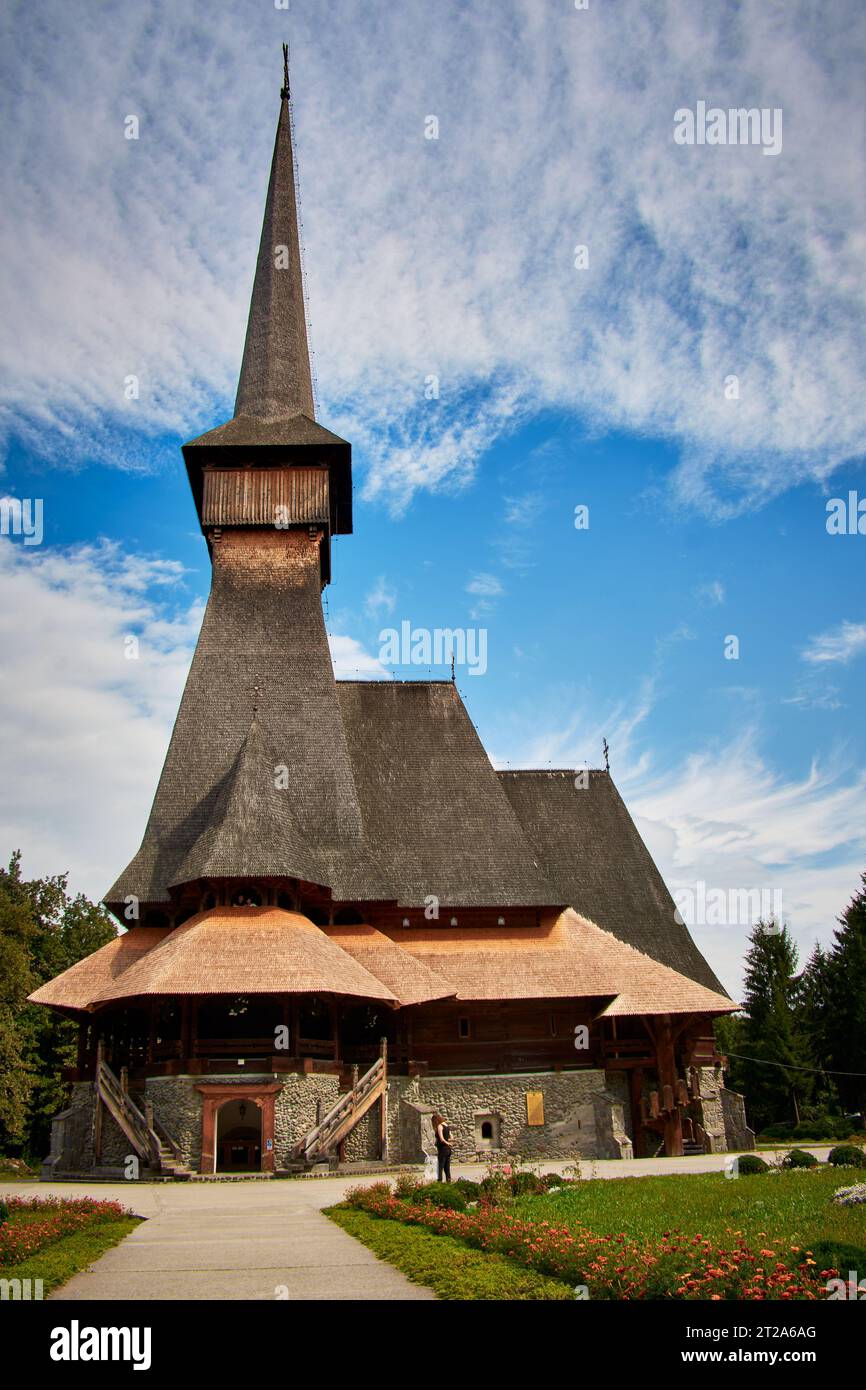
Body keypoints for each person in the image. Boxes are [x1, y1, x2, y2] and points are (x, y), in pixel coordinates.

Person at [431, 1112, 453, 1183]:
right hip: (448, 1150)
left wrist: (447, 1143)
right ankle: (448, 1181)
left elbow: (441, 1139)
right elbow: (451, 1137)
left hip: (442, 1149)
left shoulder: (440, 1126)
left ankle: (439, 1182)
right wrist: (449, 1142)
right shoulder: (446, 1125)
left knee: (440, 1167)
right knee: (447, 1167)